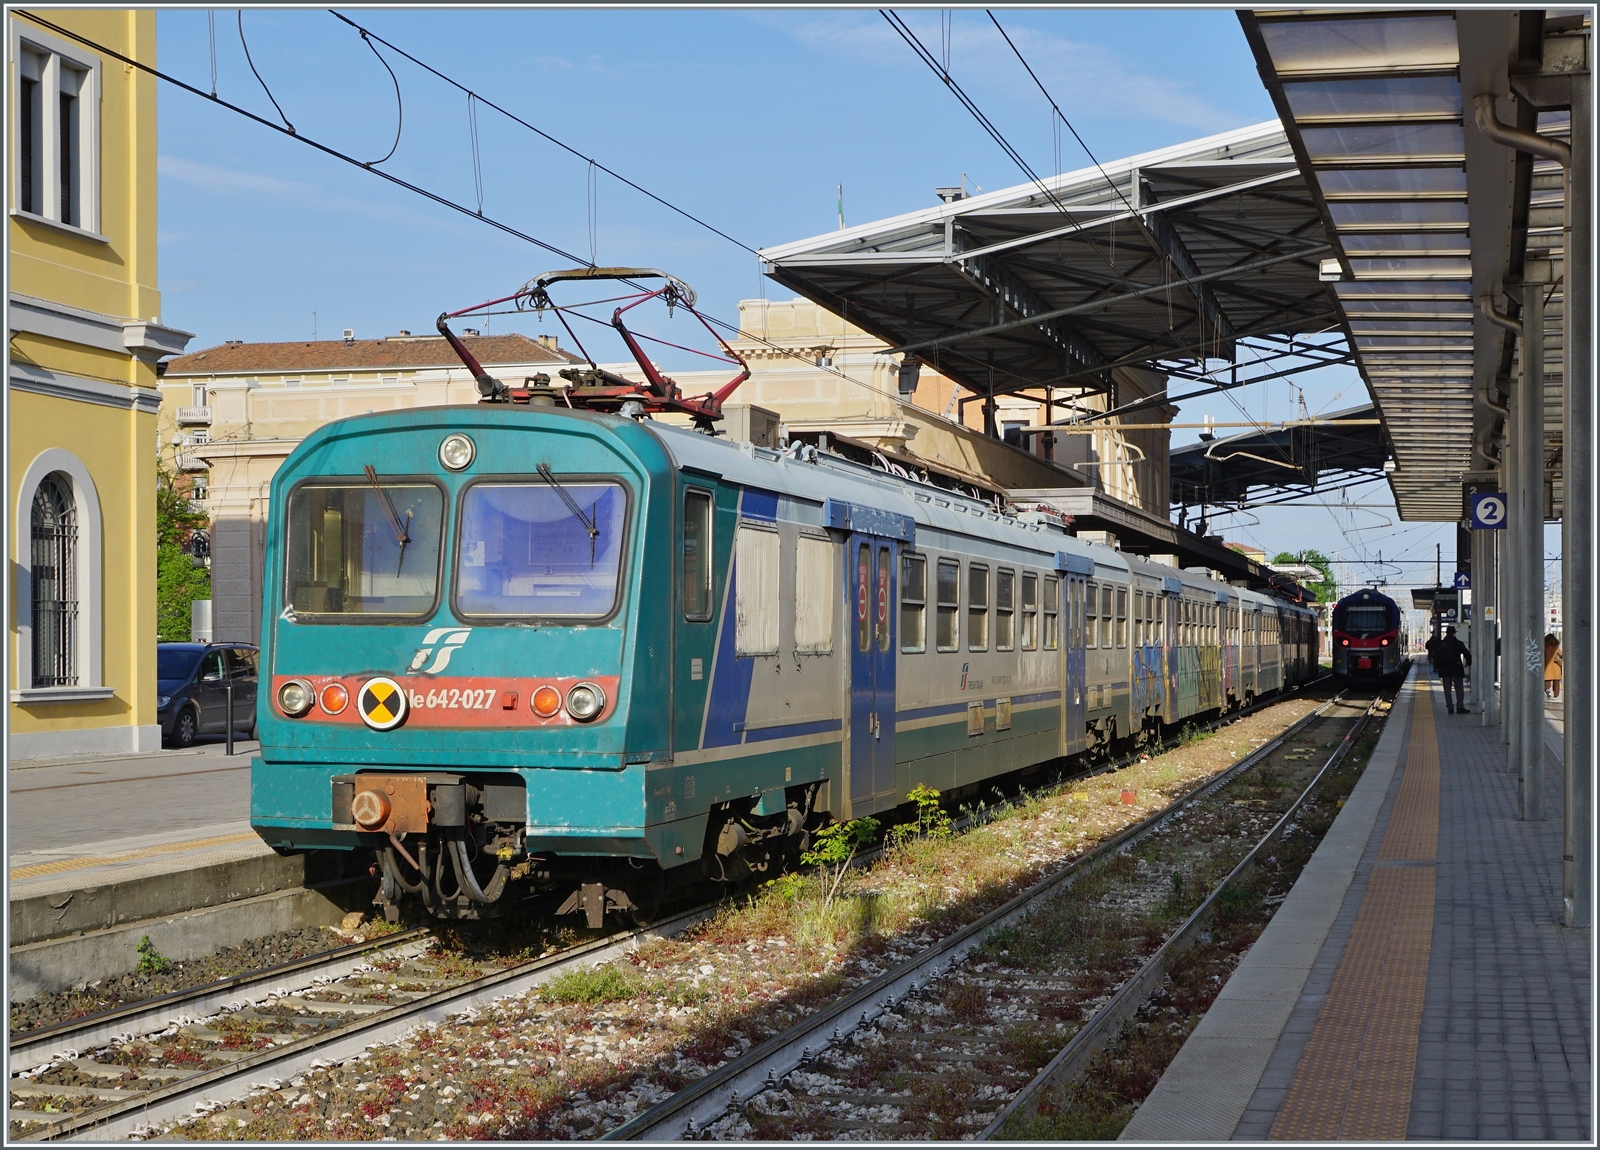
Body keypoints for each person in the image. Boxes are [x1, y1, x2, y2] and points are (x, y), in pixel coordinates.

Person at [1435, 625, 1471, 713]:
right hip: (1456, 668)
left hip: (1444, 669)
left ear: (1446, 633)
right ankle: (1460, 707)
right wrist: (1468, 663)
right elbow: (1467, 654)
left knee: (1447, 688)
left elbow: (1436, 656)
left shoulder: (1440, 644)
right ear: (1454, 633)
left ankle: (1450, 708)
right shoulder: (1458, 643)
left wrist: (1438, 667)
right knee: (1459, 687)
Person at [1545, 633, 1563, 699]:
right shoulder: (1556, 646)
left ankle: (1547, 691)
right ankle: (1556, 694)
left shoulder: (1545, 646)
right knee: (1556, 682)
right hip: (1556, 667)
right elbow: (1560, 654)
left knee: (1547, 681)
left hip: (1547, 666)